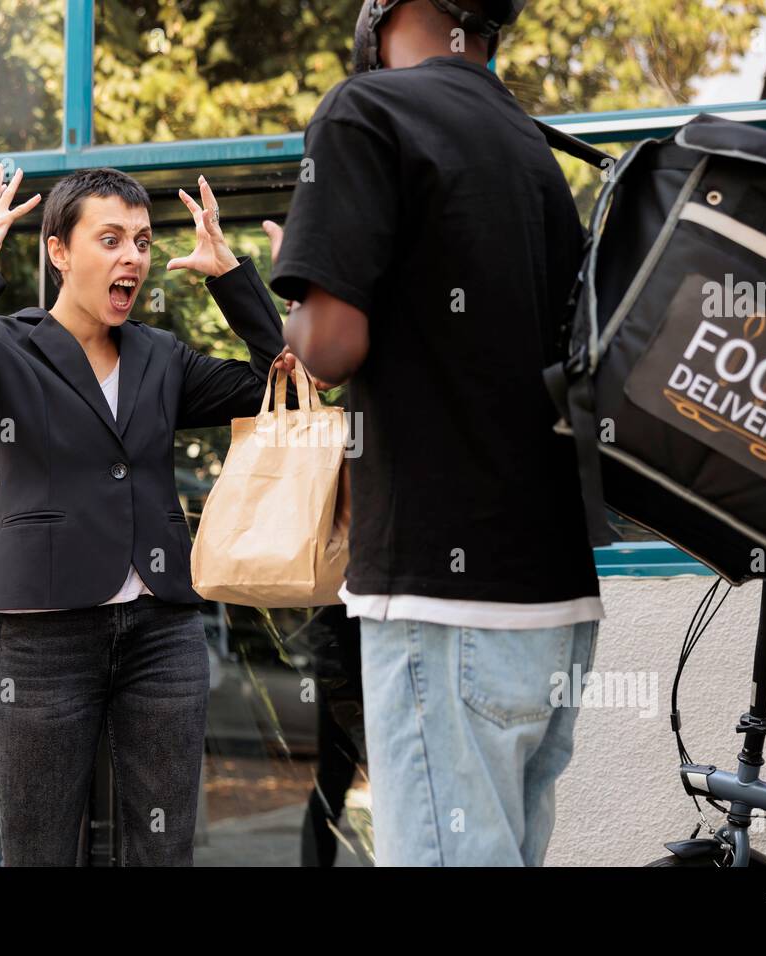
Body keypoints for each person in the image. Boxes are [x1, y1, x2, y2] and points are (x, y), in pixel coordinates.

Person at [0, 163, 298, 865]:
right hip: (46, 643)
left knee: (162, 851)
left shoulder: (162, 356)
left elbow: (272, 381)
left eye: (139, 241)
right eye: (110, 239)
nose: (132, 256)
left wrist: (227, 270)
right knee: (40, 851)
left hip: (163, 637)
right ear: (59, 251)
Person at [269, 0, 605, 866]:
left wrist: (305, 303)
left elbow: (333, 345)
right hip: (554, 602)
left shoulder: (366, 109)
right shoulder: (531, 144)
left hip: (441, 603)